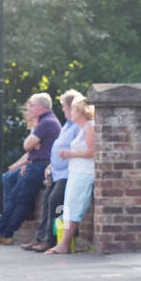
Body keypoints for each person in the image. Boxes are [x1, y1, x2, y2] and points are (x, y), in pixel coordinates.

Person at [0, 93, 61, 244]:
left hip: (40, 165)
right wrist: (32, 147)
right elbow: (30, 147)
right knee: (16, 196)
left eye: (32, 105)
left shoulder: (47, 122)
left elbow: (27, 146)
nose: (29, 108)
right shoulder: (44, 121)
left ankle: (0, 232)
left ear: (41, 107)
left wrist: (33, 146)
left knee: (19, 198)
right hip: (36, 163)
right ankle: (3, 234)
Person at [24, 89, 81, 252]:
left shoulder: (77, 127)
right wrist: (50, 166)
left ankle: (51, 239)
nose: (62, 109)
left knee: (55, 200)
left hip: (67, 173)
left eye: (64, 106)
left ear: (72, 107)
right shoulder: (67, 126)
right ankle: (41, 237)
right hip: (57, 172)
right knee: (47, 200)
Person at [46, 97, 94, 255]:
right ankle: (63, 243)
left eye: (73, 109)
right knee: (68, 207)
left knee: (74, 208)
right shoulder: (82, 128)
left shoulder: (90, 127)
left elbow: (92, 152)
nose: (70, 112)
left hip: (84, 173)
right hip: (76, 172)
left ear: (81, 111)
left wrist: (70, 154)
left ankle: (64, 244)